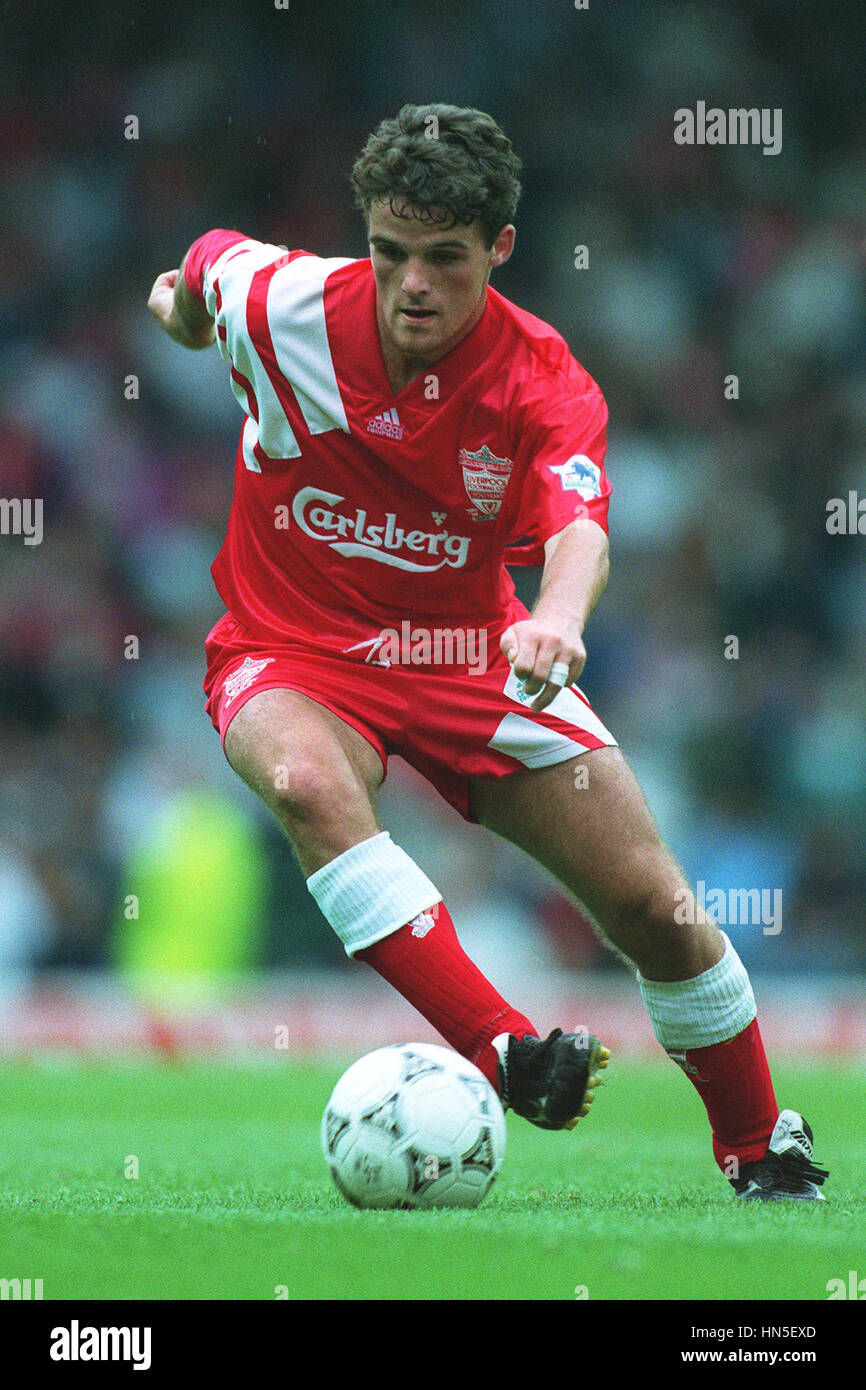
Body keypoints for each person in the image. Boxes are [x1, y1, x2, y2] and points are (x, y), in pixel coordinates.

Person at [147, 102, 827, 1200]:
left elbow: (577, 526)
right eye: (389, 252)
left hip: (473, 651)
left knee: (656, 908)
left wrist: (556, 616)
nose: (411, 283)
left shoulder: (543, 380)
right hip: (290, 646)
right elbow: (196, 285)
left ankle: (759, 1143)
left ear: (498, 248)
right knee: (301, 777)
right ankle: (506, 1049)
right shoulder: (280, 301)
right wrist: (179, 311)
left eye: (443, 259)